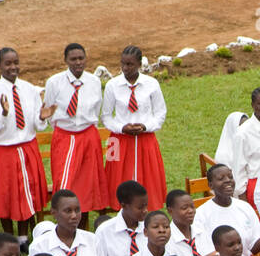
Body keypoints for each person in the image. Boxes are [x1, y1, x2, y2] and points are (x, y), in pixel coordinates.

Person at [0, 48, 49, 236]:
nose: (13, 67)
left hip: (28, 148)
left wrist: (42, 118)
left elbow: (37, 124)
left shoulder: (29, 89)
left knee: (28, 194)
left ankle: (23, 237)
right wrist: (3, 114)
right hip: (5, 151)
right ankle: (8, 237)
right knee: (6, 195)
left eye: (16, 62)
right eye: (8, 63)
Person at [43, 42, 109, 216]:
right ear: (66, 60)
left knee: (88, 183)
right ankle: (65, 223)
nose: (78, 62)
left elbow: (96, 109)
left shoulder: (94, 82)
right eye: (73, 59)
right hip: (65, 137)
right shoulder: (54, 82)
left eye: (81, 58)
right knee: (66, 182)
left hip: (88, 136)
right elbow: (49, 112)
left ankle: (84, 224)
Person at [102, 46, 167, 210]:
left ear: (139, 63)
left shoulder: (151, 84)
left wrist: (146, 126)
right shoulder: (112, 85)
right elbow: (106, 116)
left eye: (130, 64)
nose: (125, 68)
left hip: (145, 138)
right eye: (123, 64)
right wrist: (121, 127)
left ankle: (145, 212)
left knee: (148, 176)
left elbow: (160, 113)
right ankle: (120, 211)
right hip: (118, 139)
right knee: (115, 175)